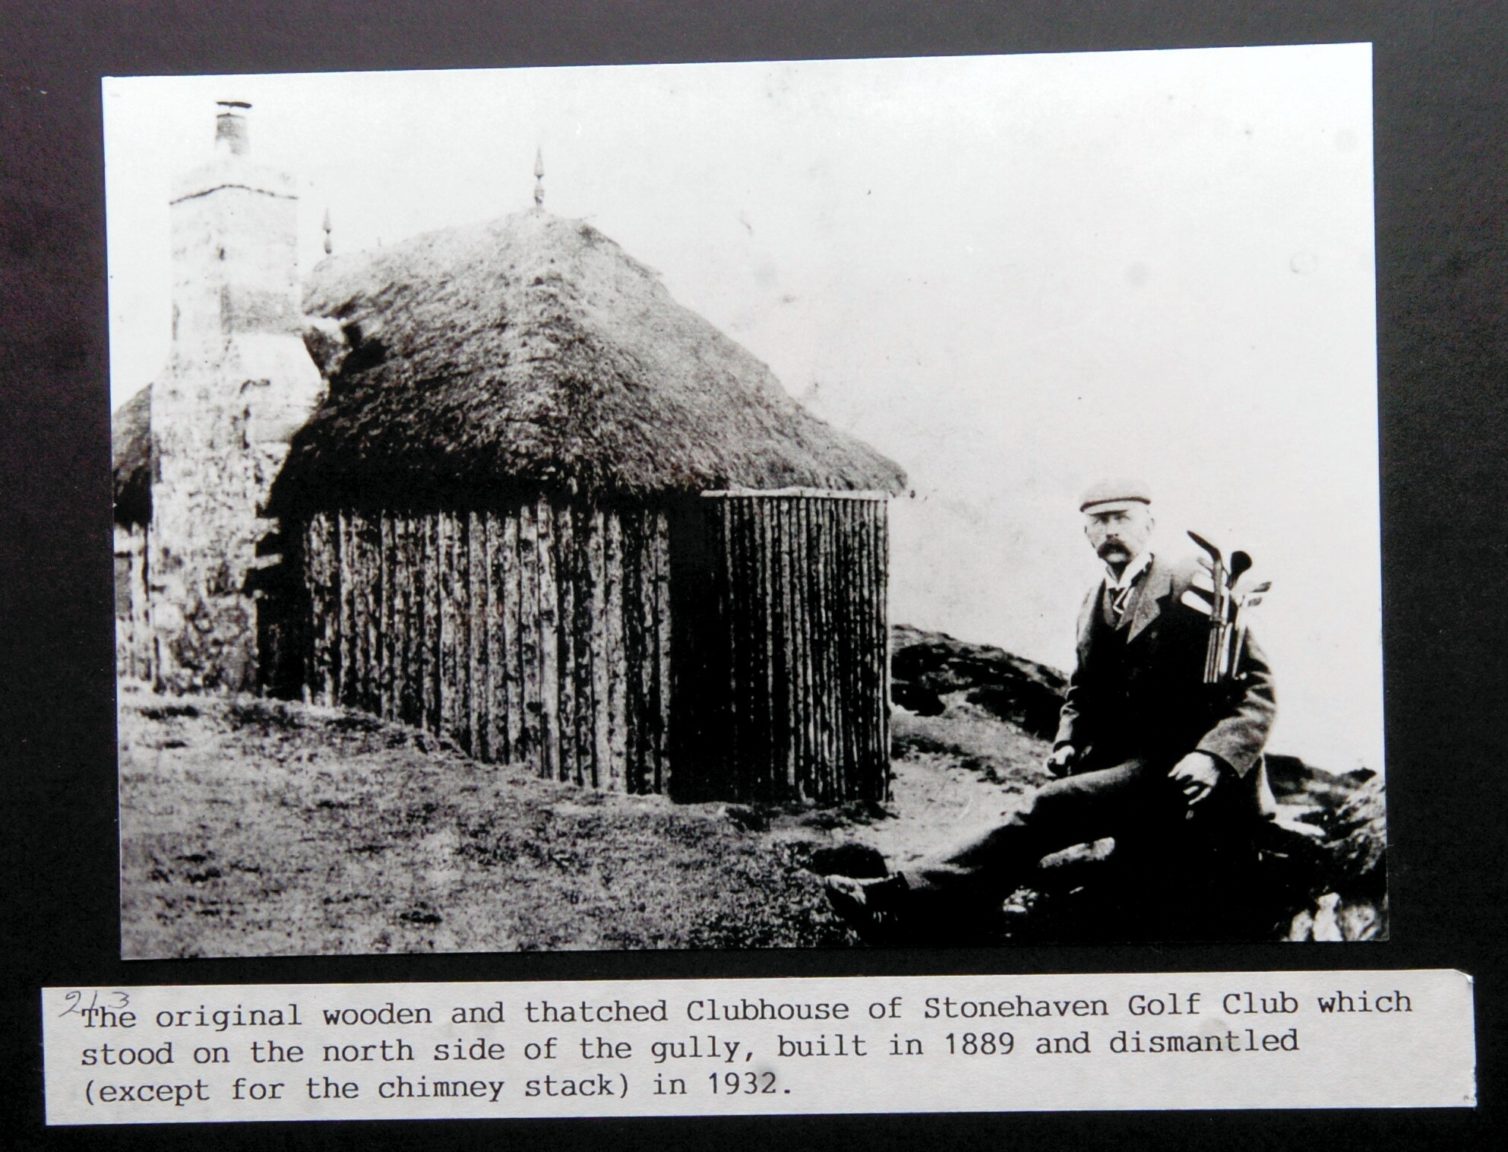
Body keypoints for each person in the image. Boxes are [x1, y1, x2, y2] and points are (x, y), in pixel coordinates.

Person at [825, 479, 1278, 942]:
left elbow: (1257, 688)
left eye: (1123, 519)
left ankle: (898, 896)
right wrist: (1068, 740)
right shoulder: (1092, 601)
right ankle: (937, 910)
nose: (1111, 531)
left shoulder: (1190, 583)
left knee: (1047, 807)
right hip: (1125, 767)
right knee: (1049, 832)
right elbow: (1083, 688)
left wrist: (1215, 756)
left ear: (1149, 525)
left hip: (1184, 771)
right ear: (1086, 533)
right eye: (1099, 522)